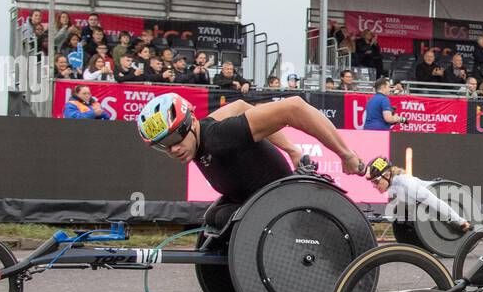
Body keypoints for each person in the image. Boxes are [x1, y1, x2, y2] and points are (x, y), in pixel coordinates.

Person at [135, 93, 365, 225]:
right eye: (163, 145)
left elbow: (294, 107)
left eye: (175, 137)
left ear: (191, 122)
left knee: (222, 217)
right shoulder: (202, 131)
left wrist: (345, 154)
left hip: (279, 205)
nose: (173, 149)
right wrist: (291, 150)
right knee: (213, 218)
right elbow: (241, 106)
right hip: (249, 199)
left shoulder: (220, 136)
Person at [365, 156, 471, 233]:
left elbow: (436, 203)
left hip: (445, 194)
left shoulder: (406, 184)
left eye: (376, 181)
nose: (374, 186)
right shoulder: (394, 184)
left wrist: (460, 221)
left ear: (387, 174)